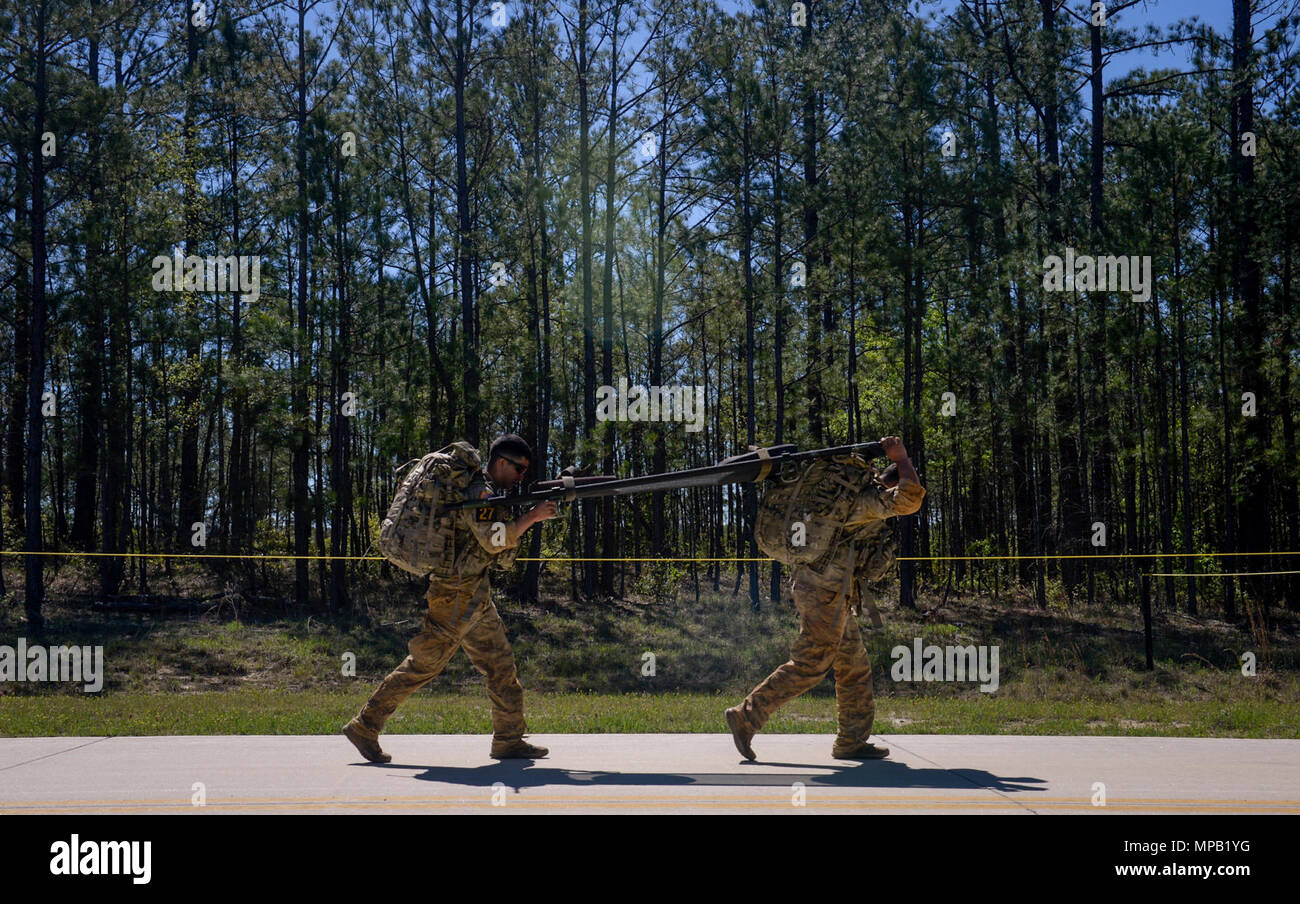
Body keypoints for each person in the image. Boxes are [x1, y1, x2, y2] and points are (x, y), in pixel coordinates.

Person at [344, 434, 559, 763]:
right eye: (519, 469)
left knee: (501, 665)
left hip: (474, 594)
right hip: (455, 595)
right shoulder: (478, 491)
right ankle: (365, 725)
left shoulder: (485, 492)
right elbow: (495, 540)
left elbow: (494, 548)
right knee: (424, 665)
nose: (521, 477)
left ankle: (508, 739)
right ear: (501, 462)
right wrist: (533, 516)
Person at [725, 435, 924, 761]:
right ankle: (747, 715)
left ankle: (851, 741)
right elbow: (910, 499)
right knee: (811, 663)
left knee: (854, 667)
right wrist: (902, 458)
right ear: (886, 485)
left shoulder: (845, 501)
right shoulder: (862, 501)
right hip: (825, 593)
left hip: (832, 592)